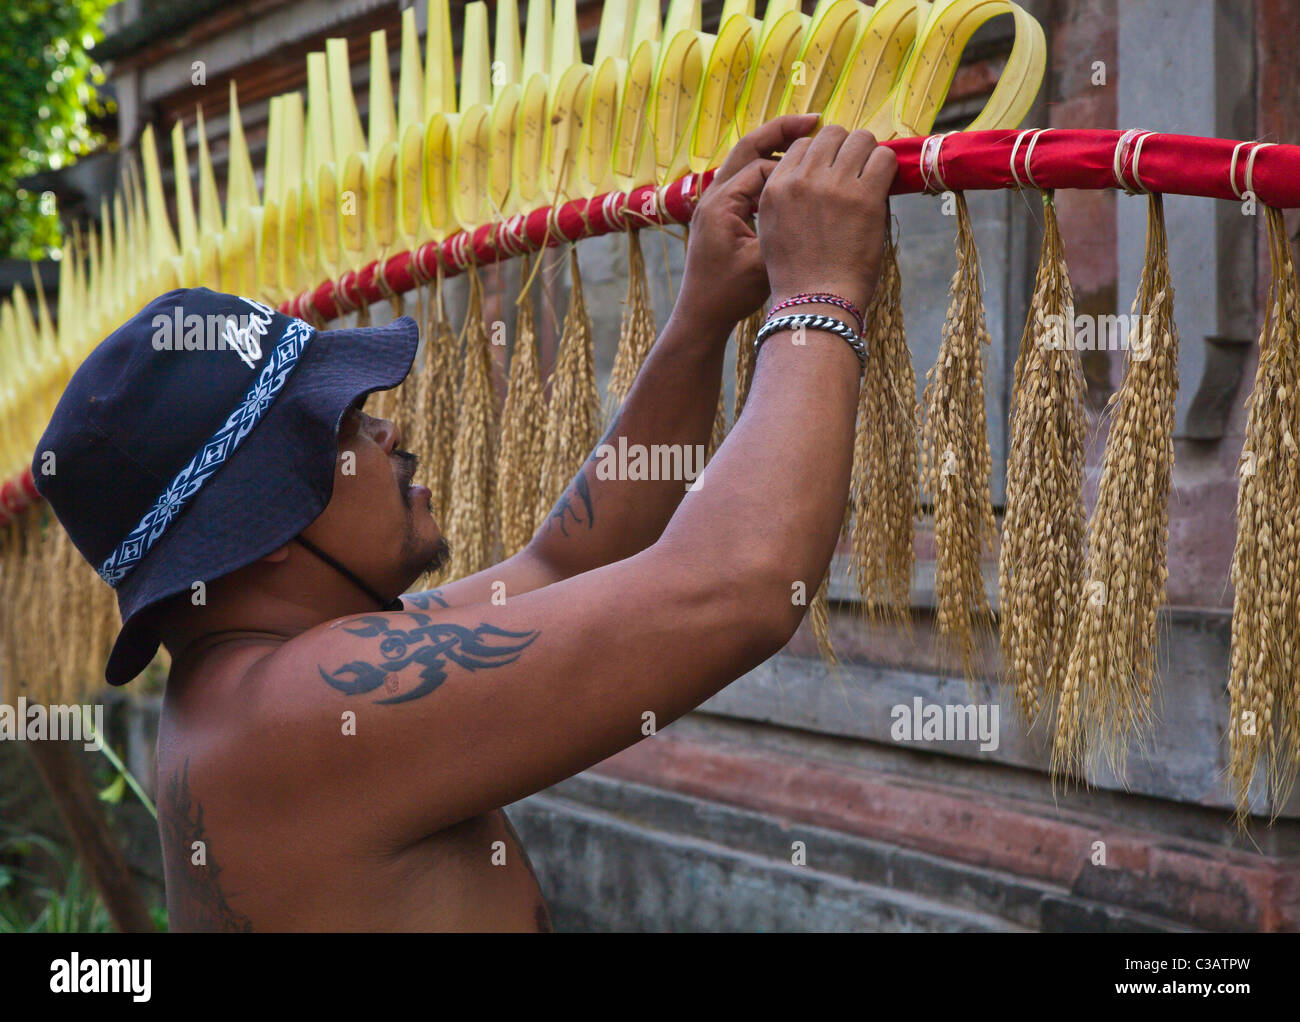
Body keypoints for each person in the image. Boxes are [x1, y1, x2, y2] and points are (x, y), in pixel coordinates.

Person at [34, 115, 897, 931]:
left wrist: (703, 313)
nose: (387, 430)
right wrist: (818, 297)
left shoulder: (276, 678)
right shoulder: (299, 712)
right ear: (255, 527)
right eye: (341, 426)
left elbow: (562, 565)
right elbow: (738, 586)